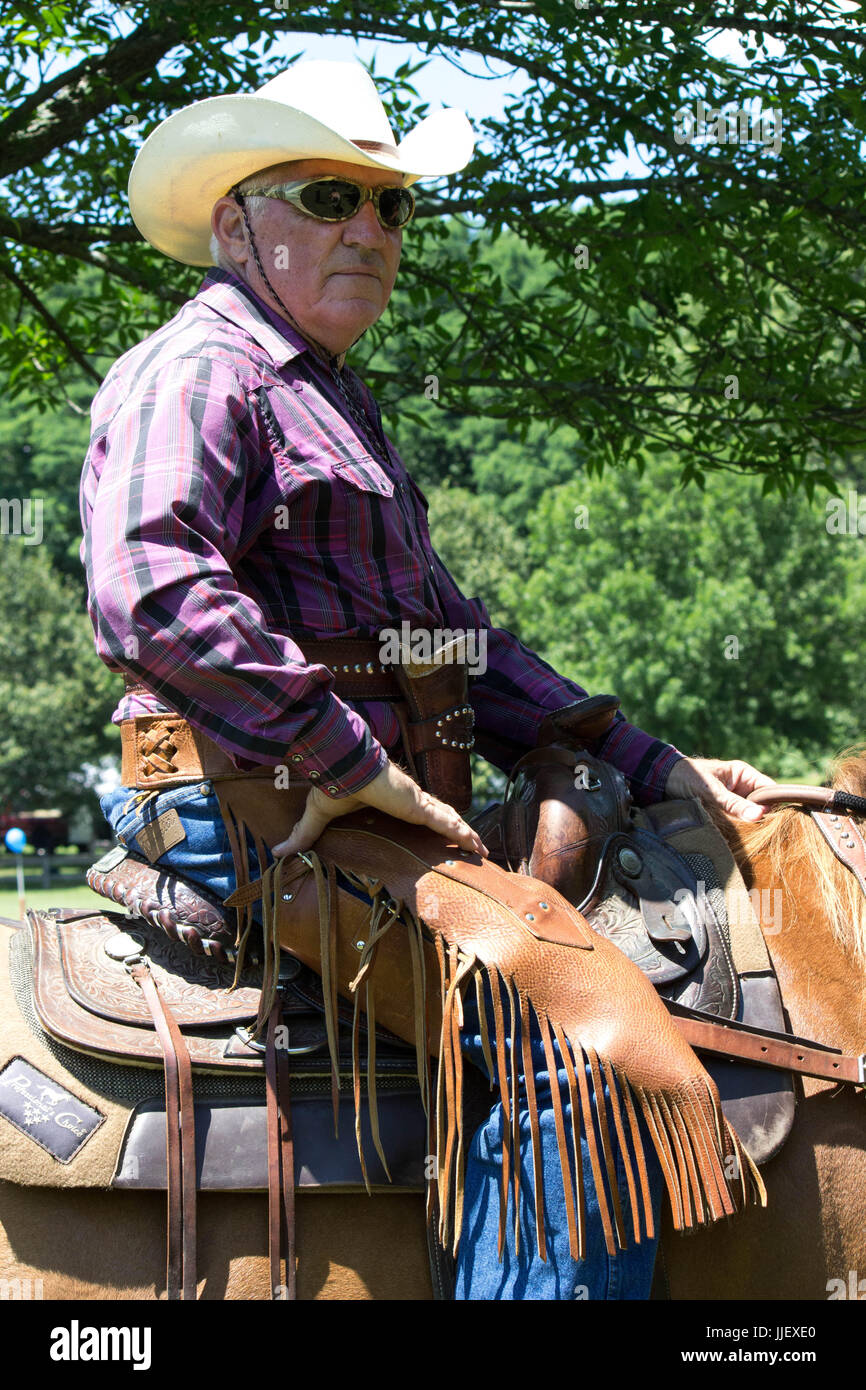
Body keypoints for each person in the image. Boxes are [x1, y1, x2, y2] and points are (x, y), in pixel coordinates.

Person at [80, 57, 774, 1300]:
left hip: (353, 808)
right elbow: (153, 588)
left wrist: (656, 765)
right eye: (324, 194)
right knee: (570, 1042)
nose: (367, 226)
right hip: (245, 805)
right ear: (234, 224)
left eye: (388, 204)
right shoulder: (201, 370)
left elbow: (463, 650)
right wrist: (355, 765)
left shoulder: (333, 406)